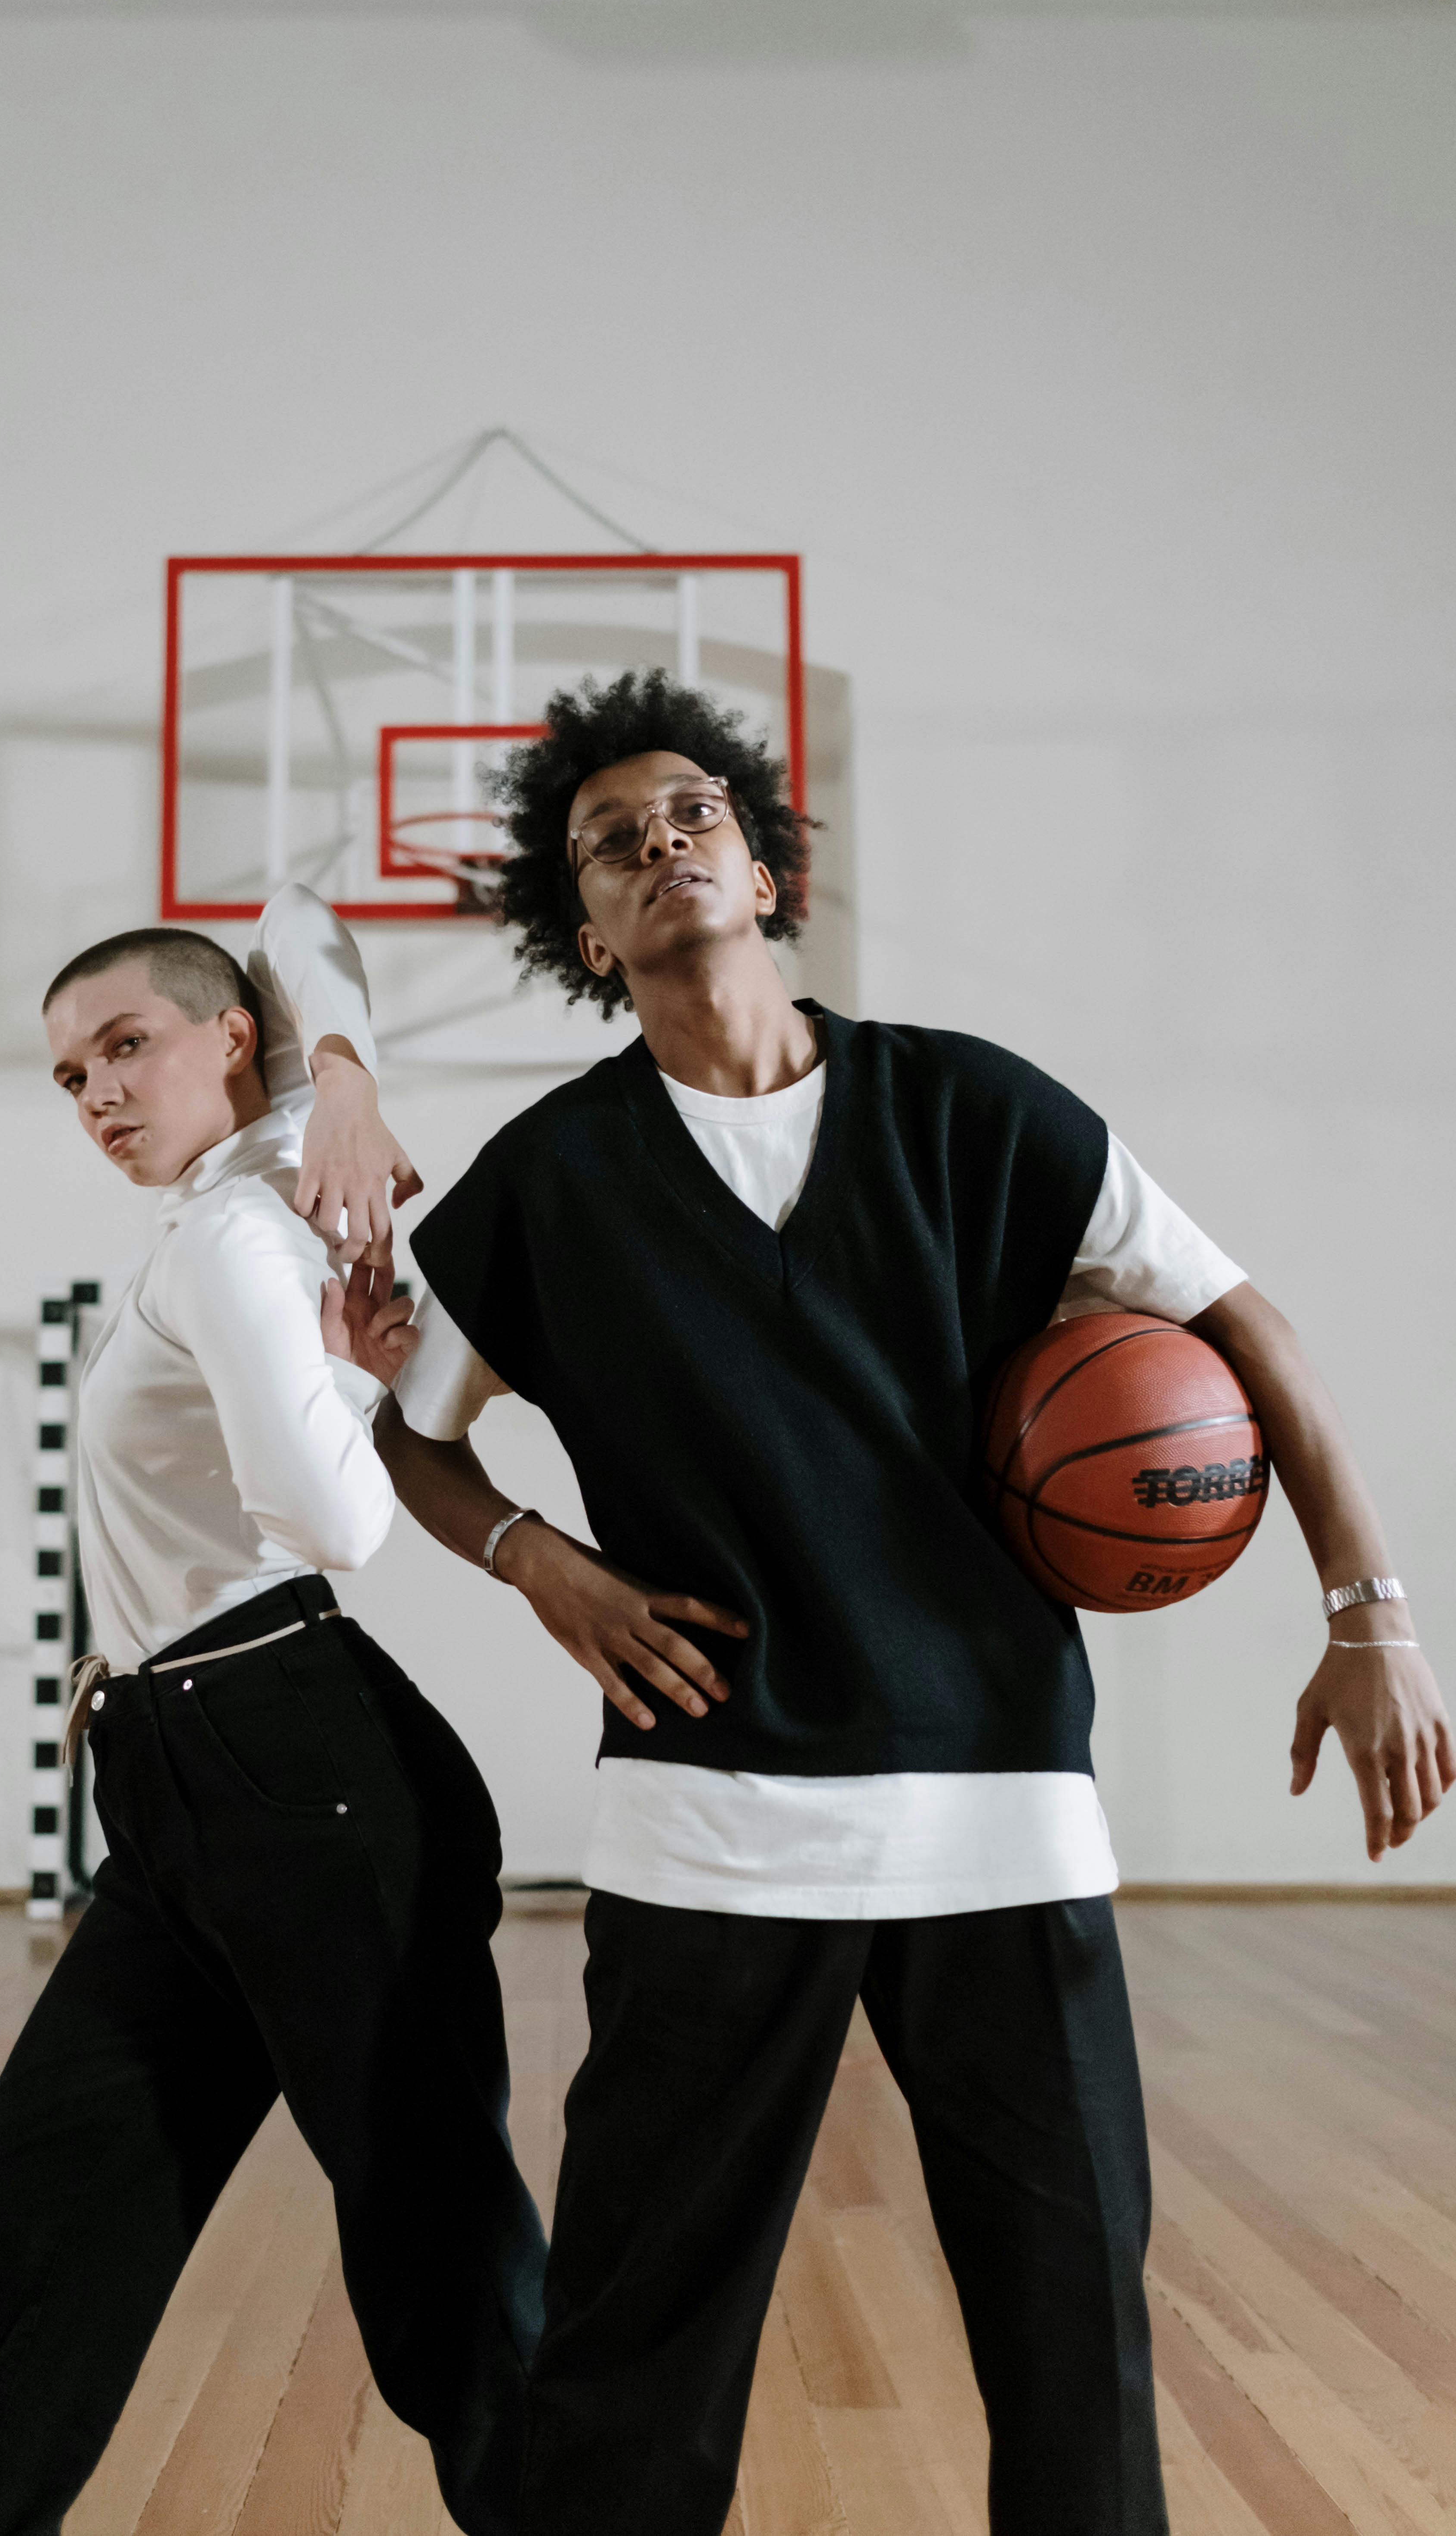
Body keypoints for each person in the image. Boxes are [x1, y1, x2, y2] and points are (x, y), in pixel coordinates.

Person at [373, 671, 1453, 2536]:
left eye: (693, 813)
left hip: (1000, 1807)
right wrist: (540, 1562)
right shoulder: (551, 1177)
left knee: (1073, 2354)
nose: (659, 845)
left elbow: (1249, 1333)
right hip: (711, 1817)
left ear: (763, 866)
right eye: (610, 844)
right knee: (634, 2365)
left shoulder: (973, 1106)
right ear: (586, 931)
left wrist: (1370, 1616)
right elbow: (404, 1435)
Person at [0, 888, 547, 2536]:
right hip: (192, 1786)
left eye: (127, 1046)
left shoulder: (243, 1228)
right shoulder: (250, 1181)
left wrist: (353, 1353)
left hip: (291, 1764)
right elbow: (297, 918)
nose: (99, 1092)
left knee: (439, 2253)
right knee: (28, 2217)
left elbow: (336, 1524)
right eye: (70, 1075)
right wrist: (345, 1084)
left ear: (229, 1034)